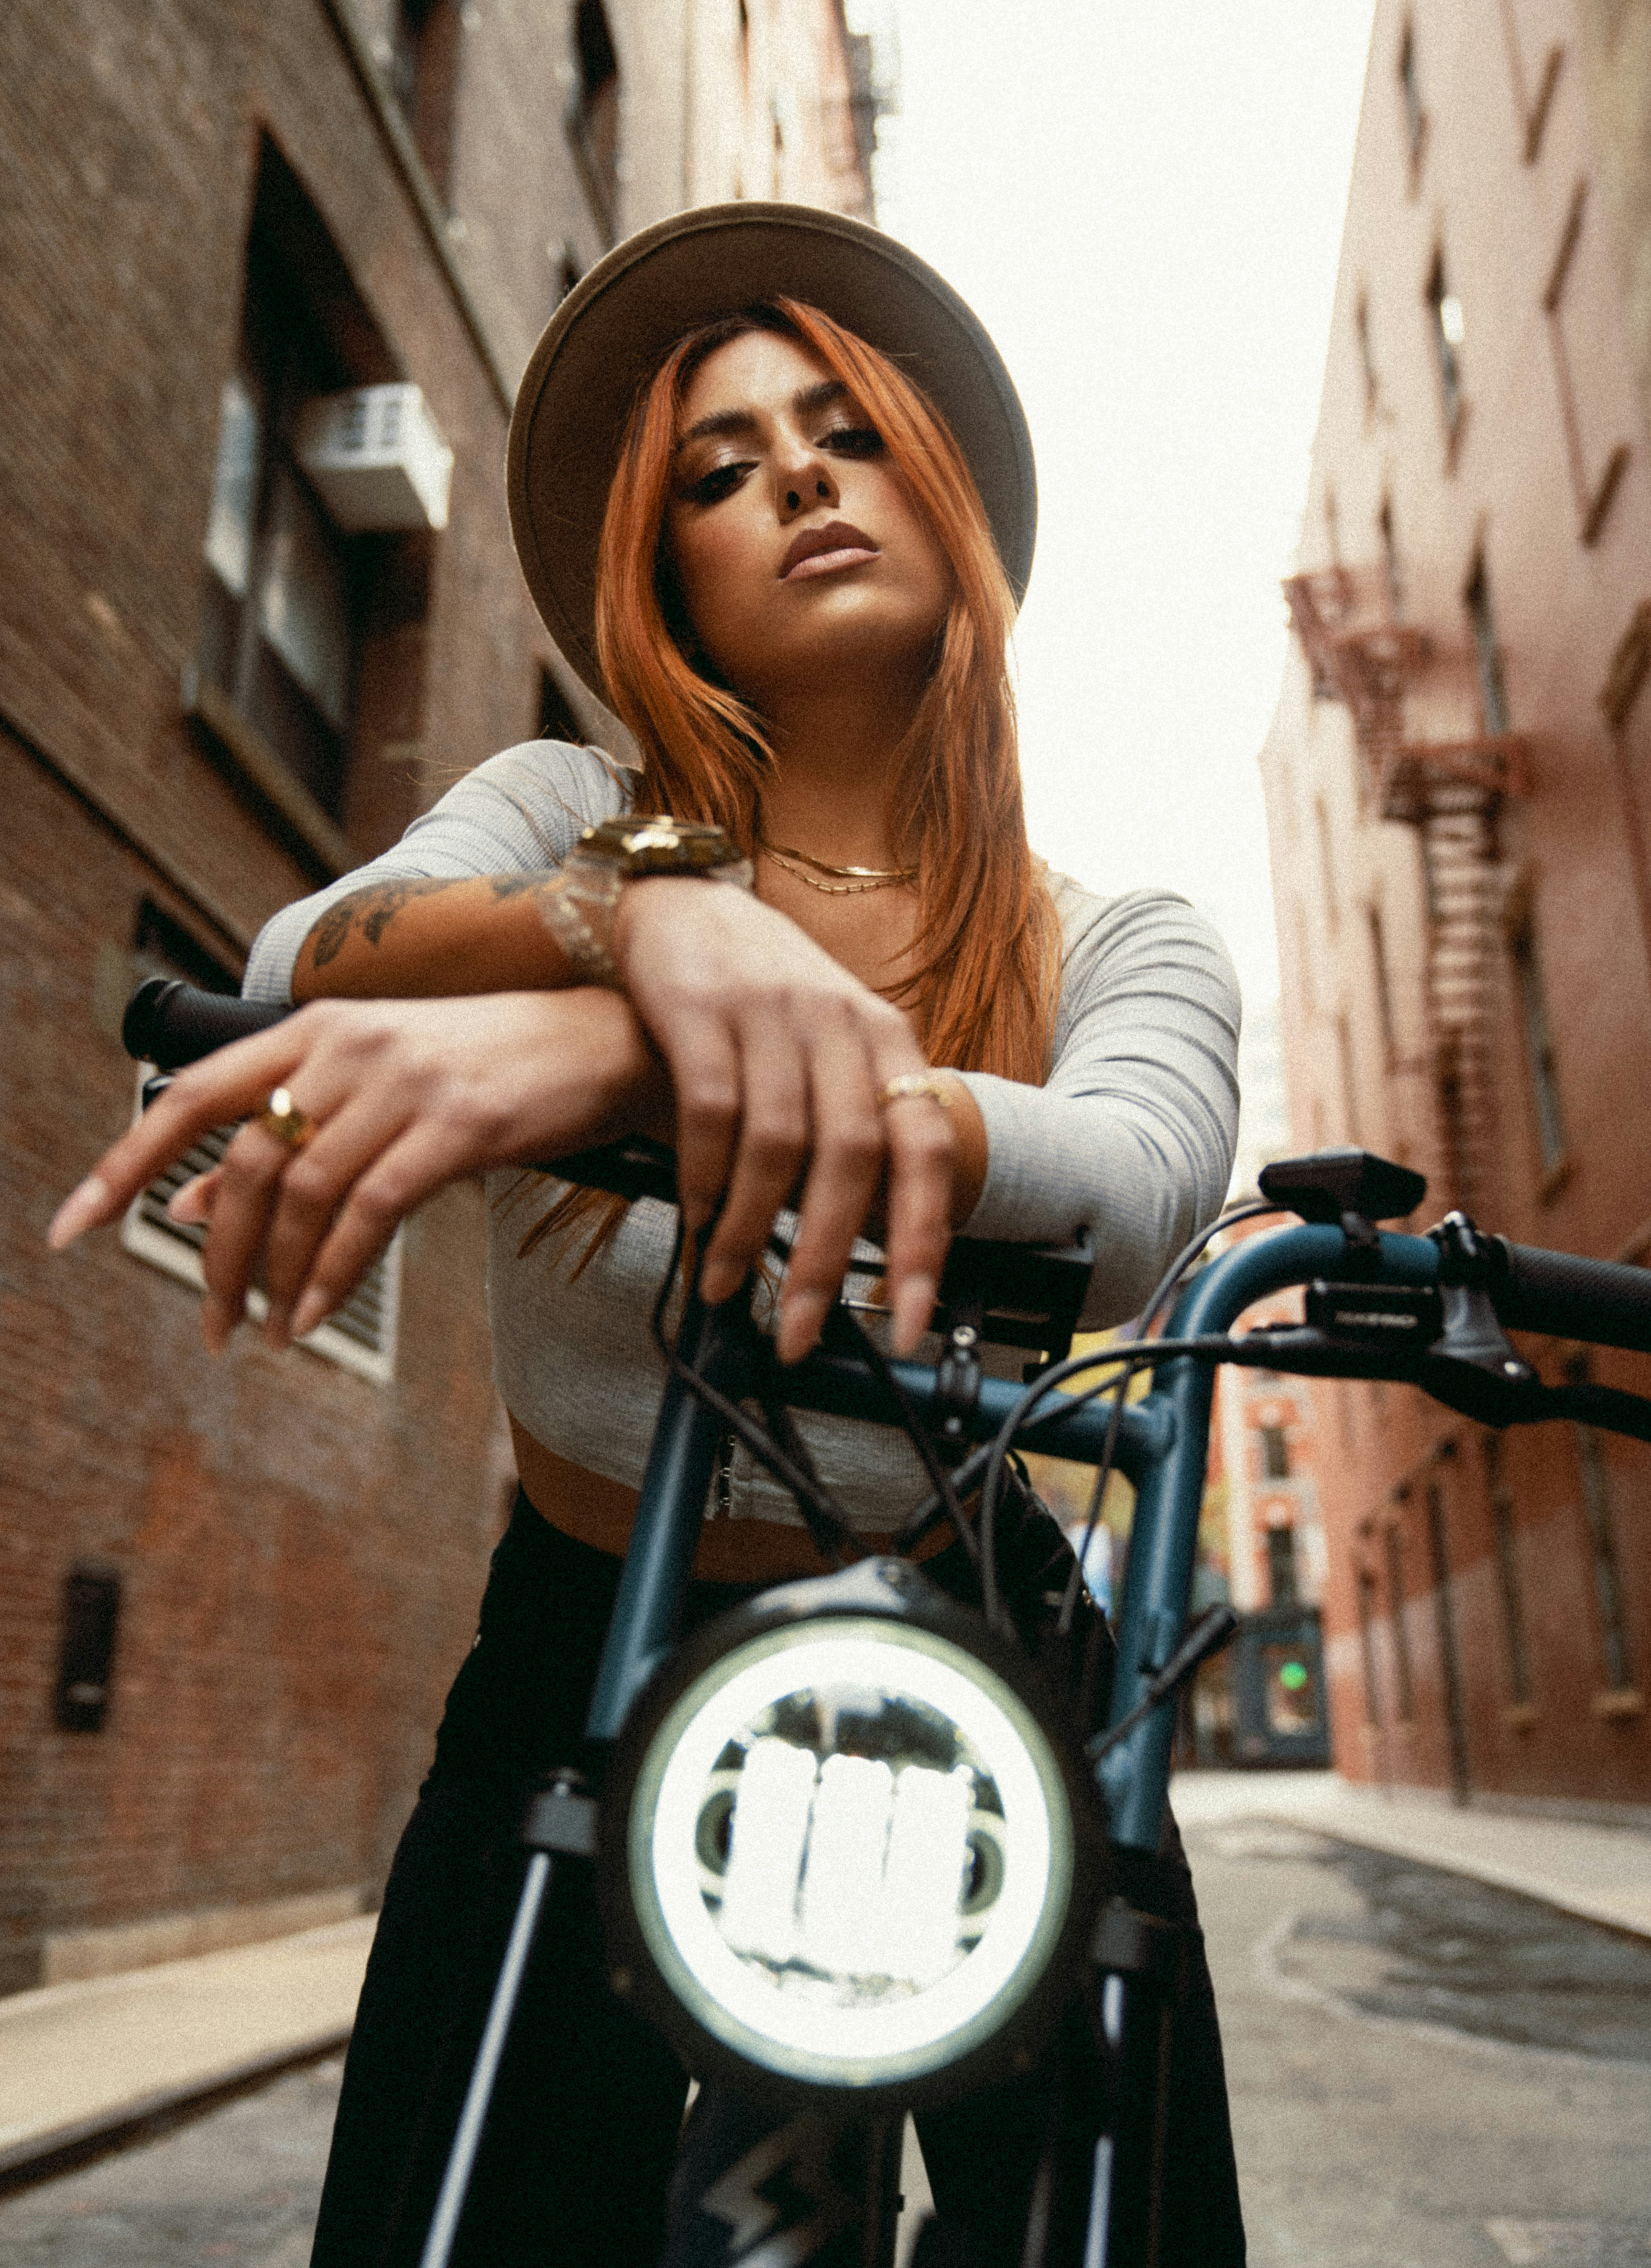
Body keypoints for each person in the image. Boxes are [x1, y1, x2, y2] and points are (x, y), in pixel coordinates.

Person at [51, 202, 1246, 2266]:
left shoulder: (1119, 937)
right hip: (580, 1626)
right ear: (666, 577)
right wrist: (634, 924)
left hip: (980, 1641)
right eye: (718, 466)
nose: (791, 473)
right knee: (452, 2200)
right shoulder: (554, 811)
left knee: (1126, 2216)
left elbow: (1136, 1199)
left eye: (845, 432)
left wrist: (606, 1075)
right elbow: (295, 958)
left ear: (941, 506)